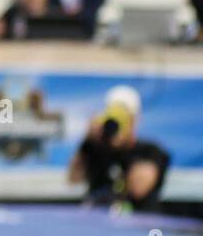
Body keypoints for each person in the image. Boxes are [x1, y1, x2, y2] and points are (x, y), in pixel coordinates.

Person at [67, 85, 170, 213]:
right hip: (97, 219)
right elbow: (73, 179)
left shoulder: (150, 151)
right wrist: (87, 140)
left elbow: (138, 189)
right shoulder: (95, 148)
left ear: (135, 120)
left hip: (139, 220)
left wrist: (122, 146)